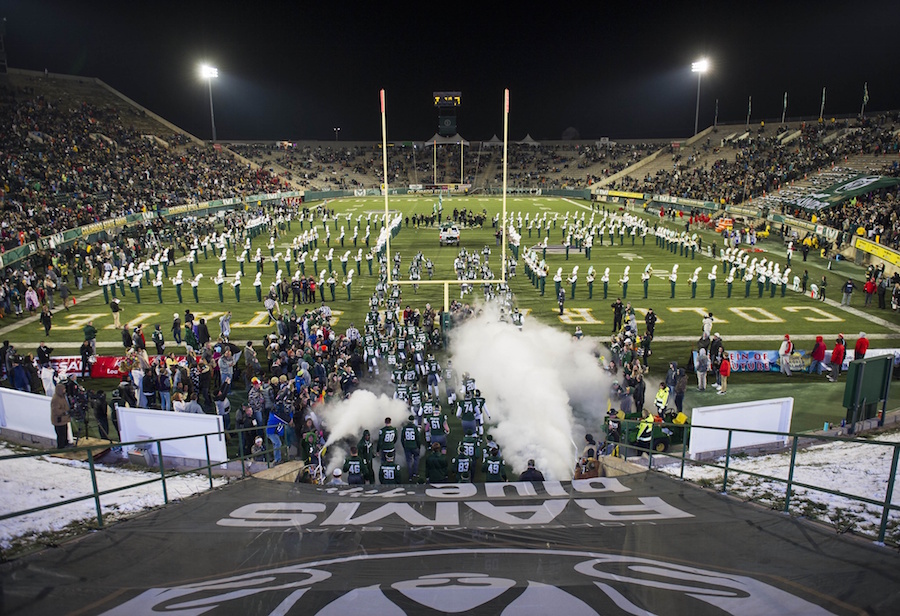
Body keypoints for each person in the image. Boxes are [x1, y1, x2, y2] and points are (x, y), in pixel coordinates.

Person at [401, 415, 424, 480]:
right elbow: (418, 439)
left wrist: (404, 445)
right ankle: (415, 473)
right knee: (416, 459)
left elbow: (402, 438)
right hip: (414, 446)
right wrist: (418, 446)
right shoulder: (415, 428)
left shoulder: (404, 428)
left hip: (407, 446)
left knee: (409, 461)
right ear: (413, 420)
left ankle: (410, 476)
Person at [50, 383, 71, 449]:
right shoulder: (56, 399)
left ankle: (66, 443)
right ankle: (61, 447)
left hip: (63, 419)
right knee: (61, 434)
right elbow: (56, 410)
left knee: (65, 432)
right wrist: (64, 412)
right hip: (59, 420)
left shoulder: (62, 396)